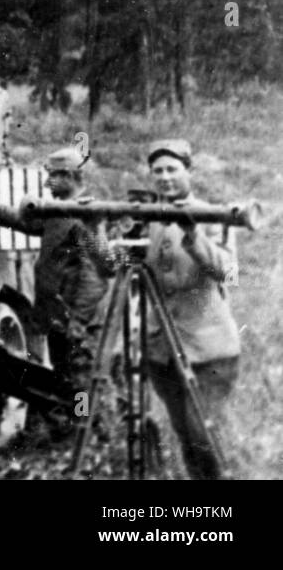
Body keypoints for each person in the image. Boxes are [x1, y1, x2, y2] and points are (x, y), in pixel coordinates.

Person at [0, 145, 115, 428]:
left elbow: (94, 277)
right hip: (59, 316)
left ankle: (90, 430)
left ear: (68, 176)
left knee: (81, 379)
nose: (46, 182)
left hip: (77, 320)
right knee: (66, 375)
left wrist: (78, 320)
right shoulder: (59, 211)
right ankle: (79, 426)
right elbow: (29, 223)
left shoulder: (85, 215)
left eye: (52, 176)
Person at [142, 139, 239, 480]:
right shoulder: (152, 219)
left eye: (172, 169)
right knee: (186, 436)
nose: (165, 178)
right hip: (164, 352)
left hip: (208, 351)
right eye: (158, 171)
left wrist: (193, 233)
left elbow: (228, 271)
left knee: (204, 437)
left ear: (188, 171)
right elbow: (126, 267)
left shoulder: (213, 215)